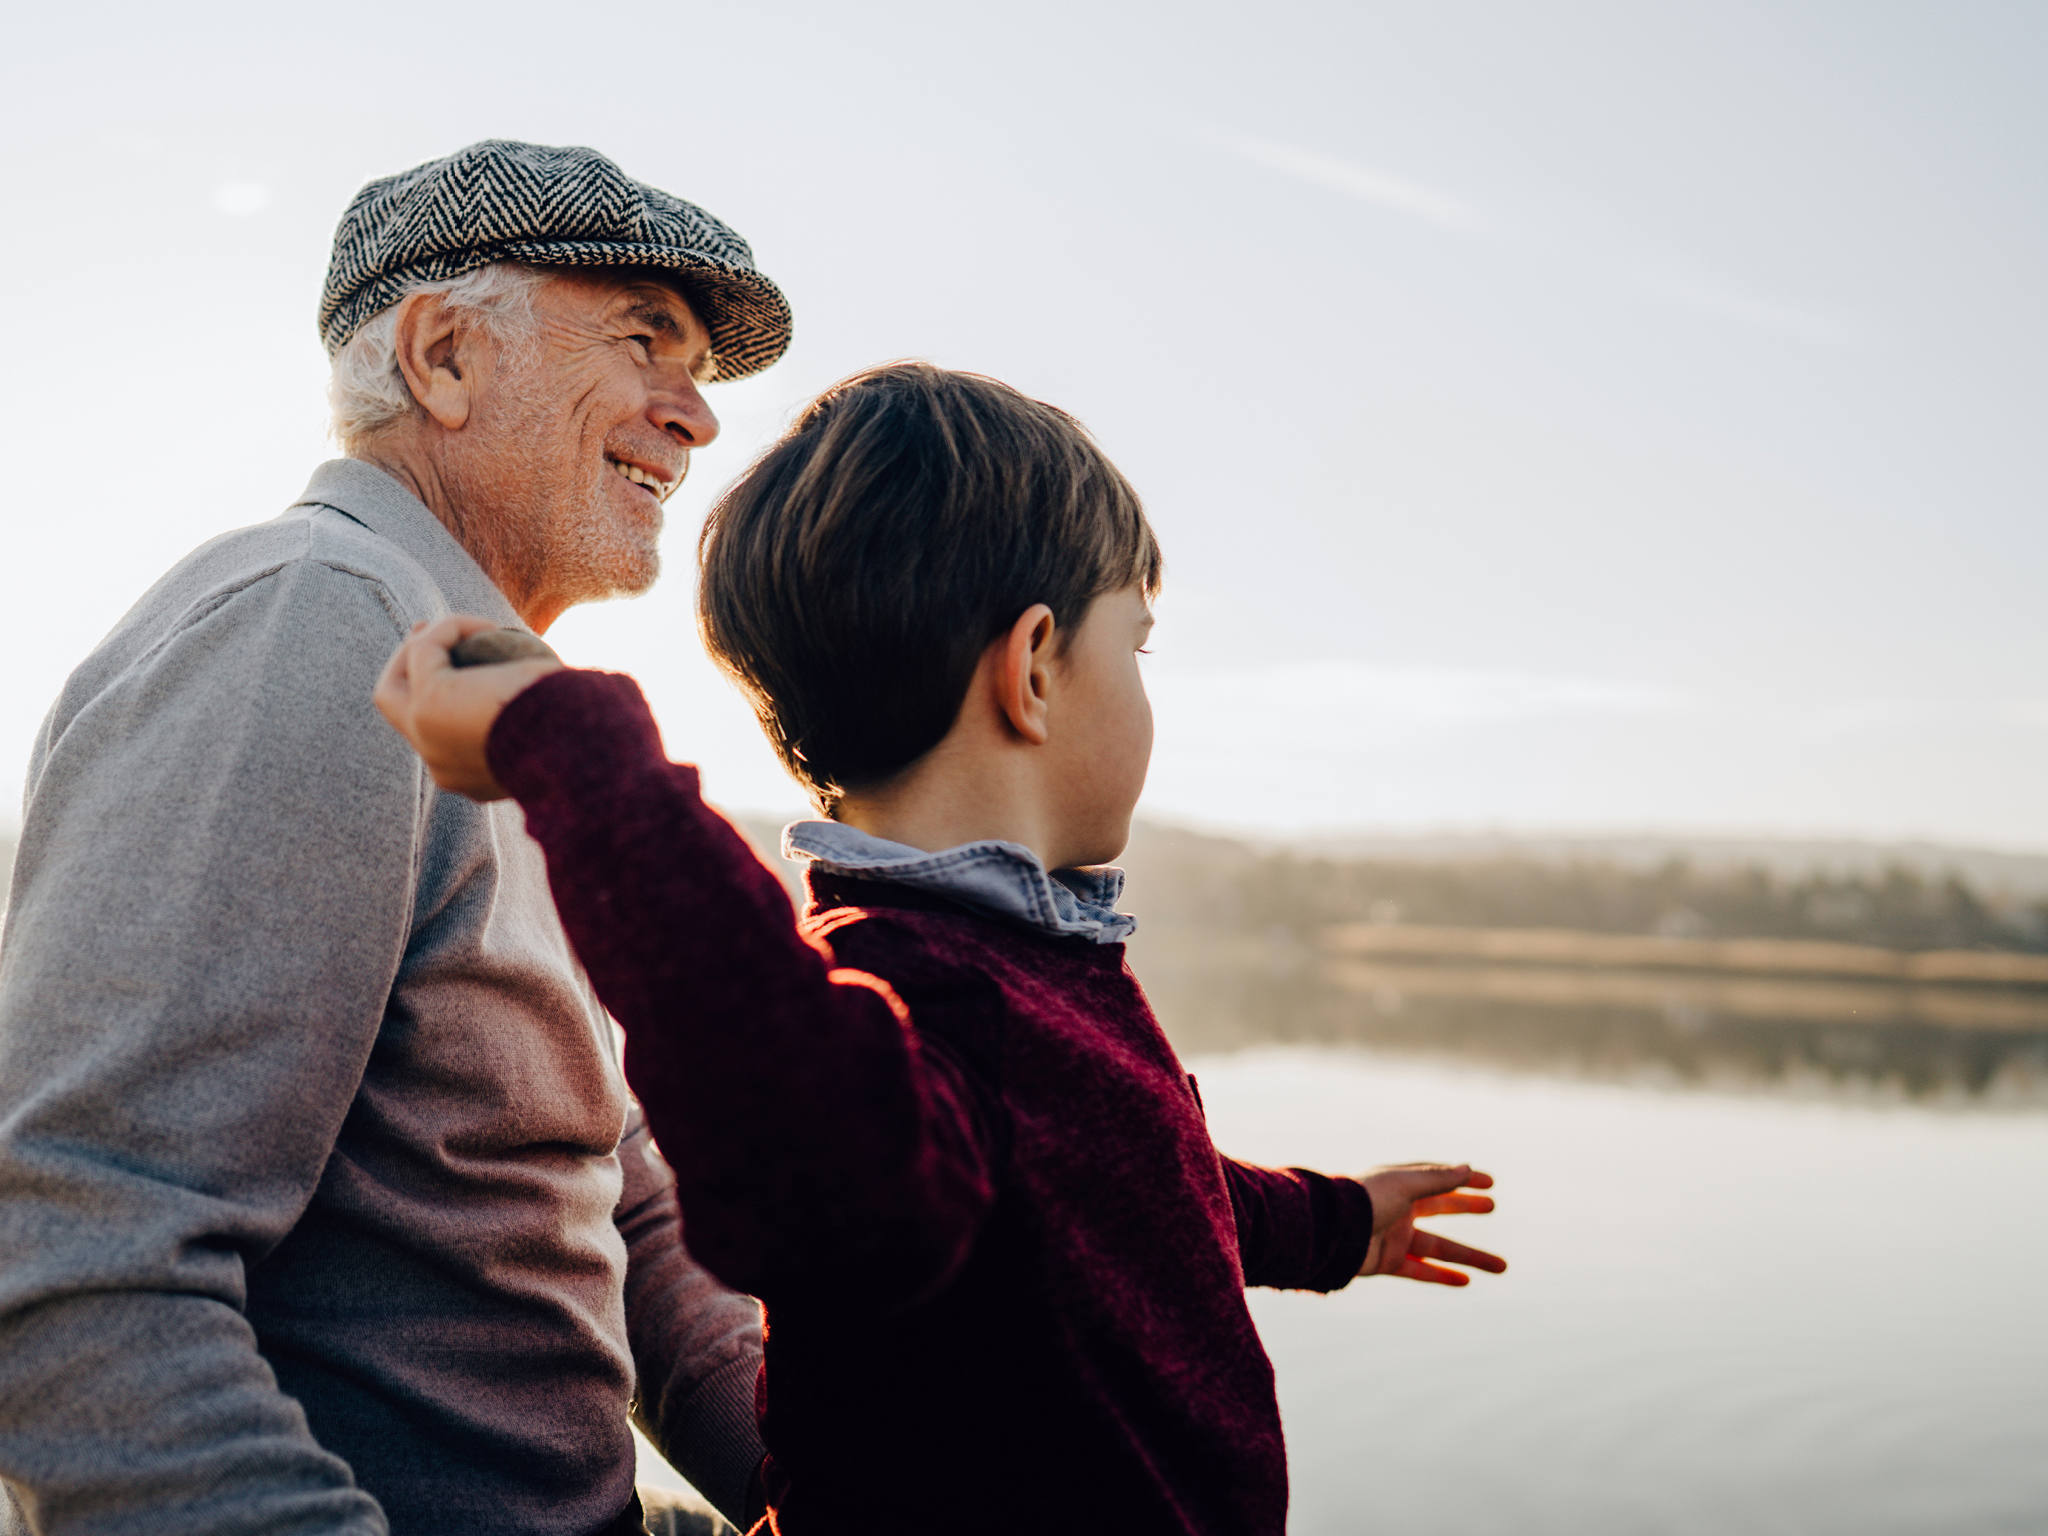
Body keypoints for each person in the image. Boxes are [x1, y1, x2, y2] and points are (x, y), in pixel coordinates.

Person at [373, 361, 1507, 1535]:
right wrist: (582, 755)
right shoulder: (910, 990)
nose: (1145, 691)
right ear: (1033, 669)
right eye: (1137, 647)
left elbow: (1125, 1190)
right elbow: (796, 1144)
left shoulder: (1024, 968)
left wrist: (1335, 1224)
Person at [0, 141, 793, 1536]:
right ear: (443, 356)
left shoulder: (492, 708)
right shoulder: (313, 622)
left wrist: (835, 1477)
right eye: (644, 340)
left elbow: (620, 1206)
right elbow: (75, 1262)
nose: (698, 417)